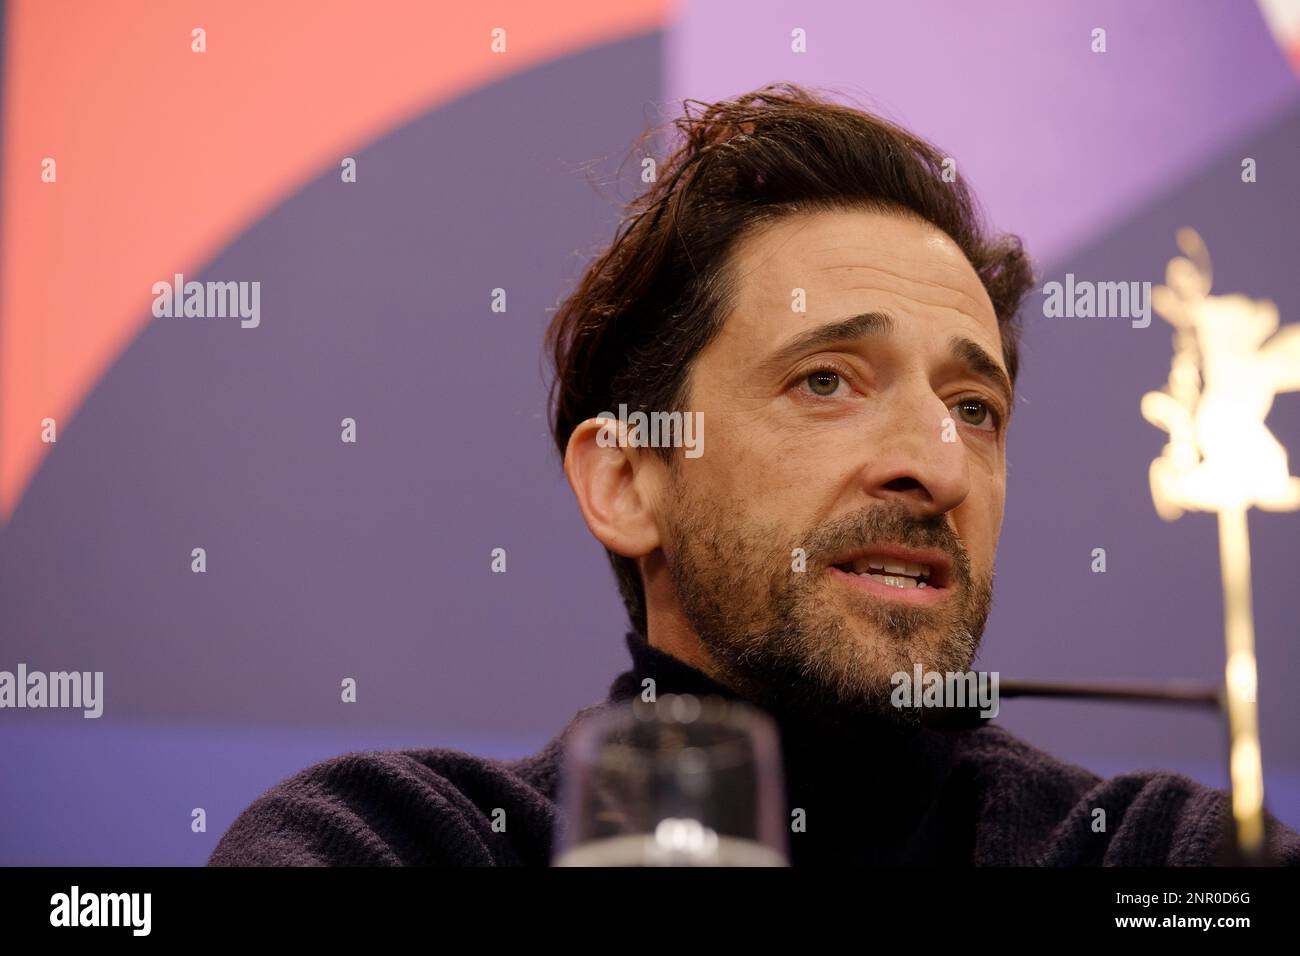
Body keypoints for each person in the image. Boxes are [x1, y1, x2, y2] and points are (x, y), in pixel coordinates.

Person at [209, 83, 1300, 866]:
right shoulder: (390, 839)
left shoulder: (1163, 856)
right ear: (628, 479)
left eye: (974, 409)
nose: (936, 463)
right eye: (827, 381)